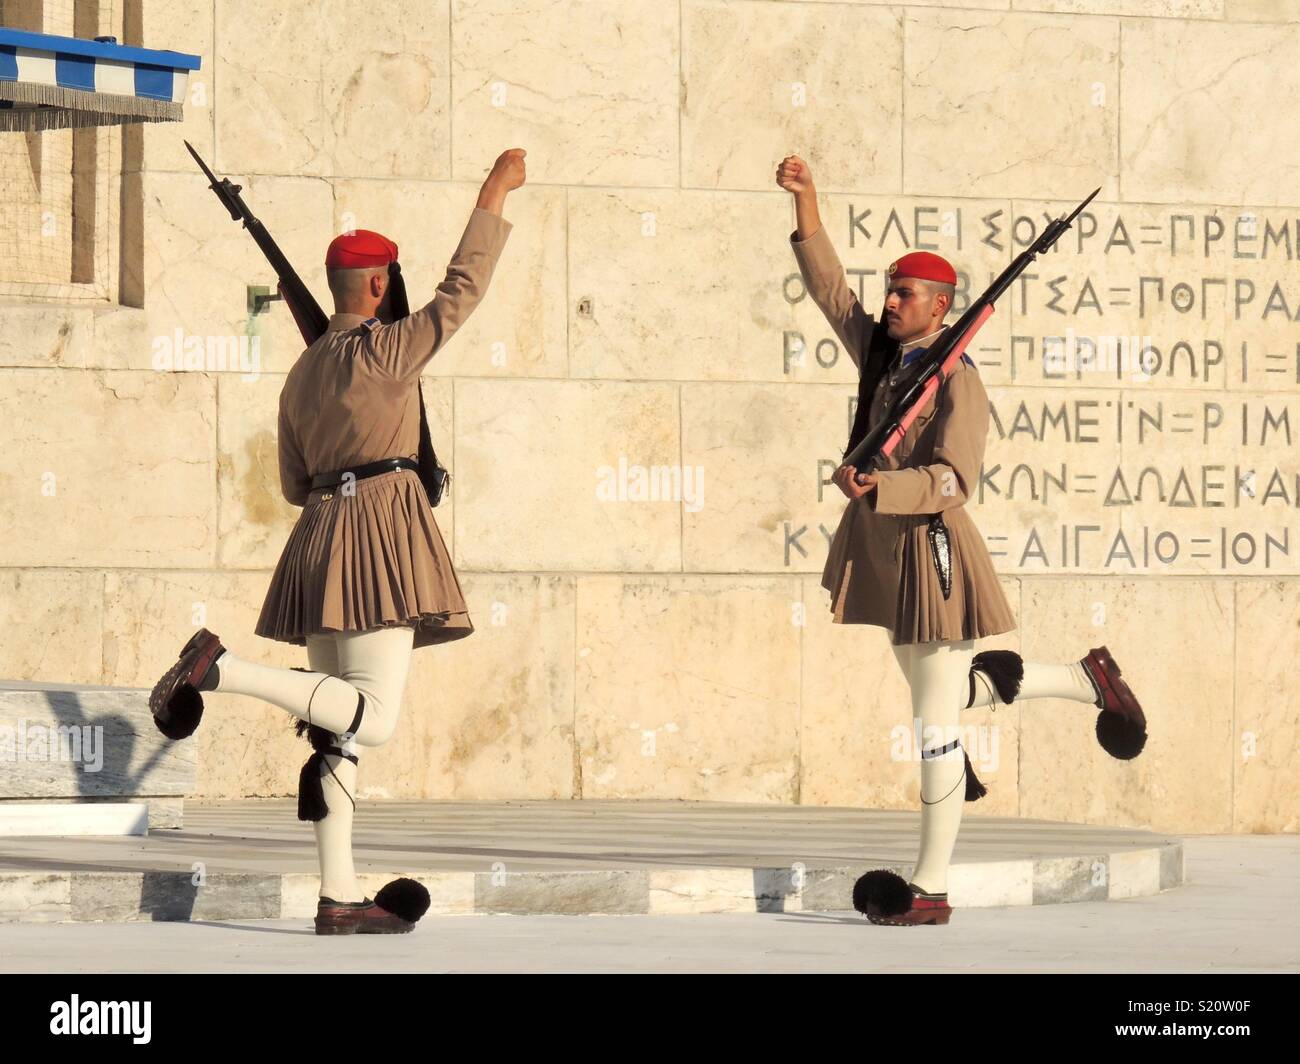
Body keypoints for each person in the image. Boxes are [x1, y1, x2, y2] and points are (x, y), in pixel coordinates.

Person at [149, 148, 526, 935]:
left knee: (337, 733)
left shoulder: (301, 373)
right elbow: (463, 291)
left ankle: (340, 896)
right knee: (374, 719)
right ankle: (223, 671)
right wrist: (492, 193)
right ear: (381, 287)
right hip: (382, 535)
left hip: (318, 536)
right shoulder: (388, 351)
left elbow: (292, 482)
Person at [778, 154, 1148, 927]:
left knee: (935, 725)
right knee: (933, 696)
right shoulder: (887, 357)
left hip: (933, 551)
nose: (888, 302)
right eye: (889, 290)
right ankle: (1087, 681)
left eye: (904, 294)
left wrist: (884, 485)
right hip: (885, 551)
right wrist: (808, 204)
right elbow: (829, 292)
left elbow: (955, 479)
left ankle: (930, 887)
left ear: (941, 307)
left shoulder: (959, 380)